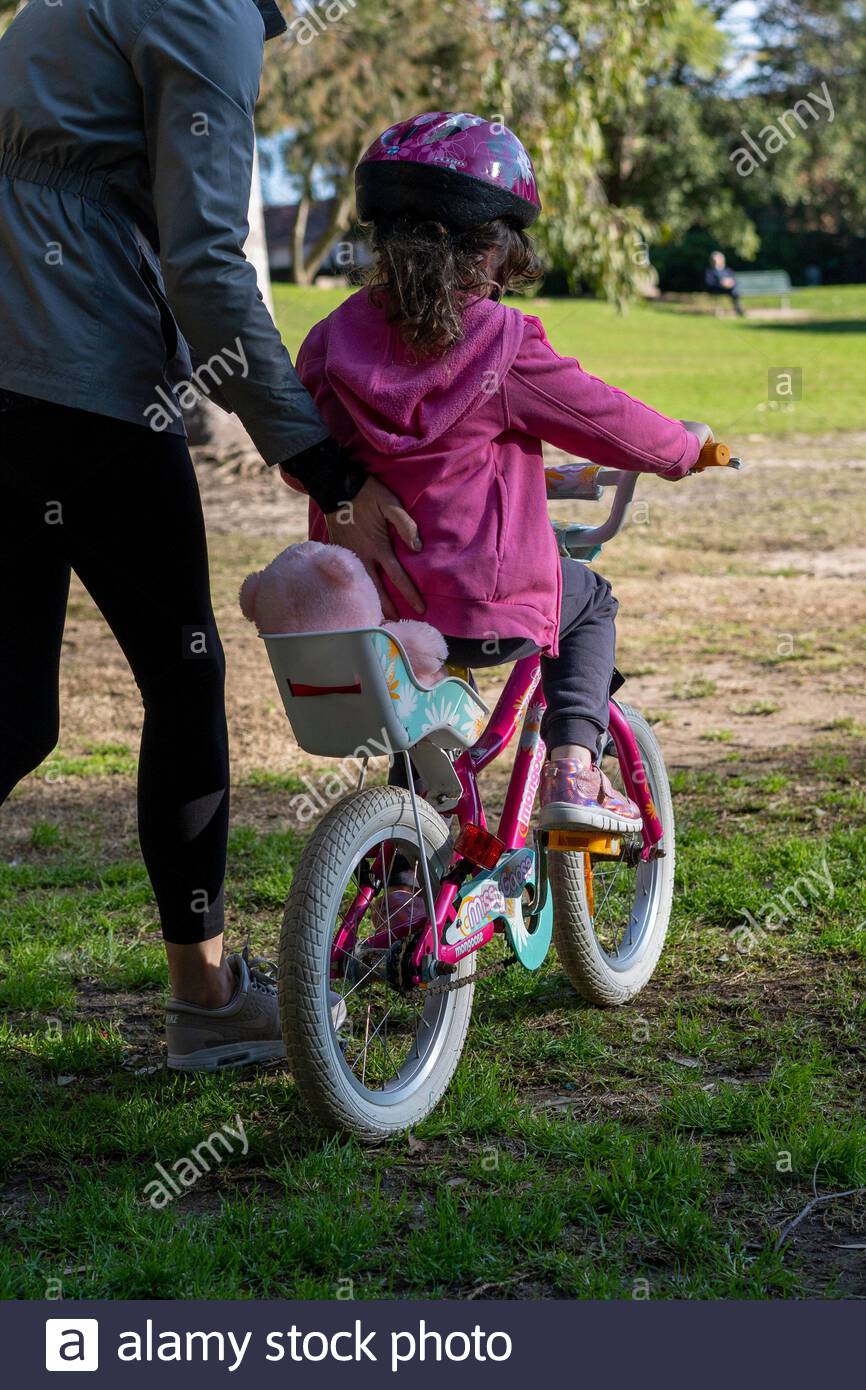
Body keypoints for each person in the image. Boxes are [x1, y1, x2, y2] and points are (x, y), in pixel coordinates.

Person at [0, 0, 422, 1071]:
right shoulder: (203, 8)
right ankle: (206, 1000)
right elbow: (206, 270)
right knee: (181, 677)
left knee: (12, 716)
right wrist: (325, 464)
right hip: (73, 372)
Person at [292, 112, 712, 835]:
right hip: (481, 609)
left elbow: (305, 465)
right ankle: (576, 766)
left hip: (378, 610)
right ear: (490, 249)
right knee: (589, 601)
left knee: (420, 729)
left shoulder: (331, 340)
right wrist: (682, 446)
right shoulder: (504, 344)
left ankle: (403, 886)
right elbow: (606, 418)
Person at [705, 251, 745, 317]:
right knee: (734, 291)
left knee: (734, 290)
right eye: (715, 260)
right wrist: (721, 283)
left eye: (718, 259)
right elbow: (709, 283)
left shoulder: (727, 270)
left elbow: (734, 280)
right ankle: (738, 309)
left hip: (729, 289)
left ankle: (738, 308)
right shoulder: (710, 271)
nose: (716, 261)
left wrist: (729, 283)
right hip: (717, 289)